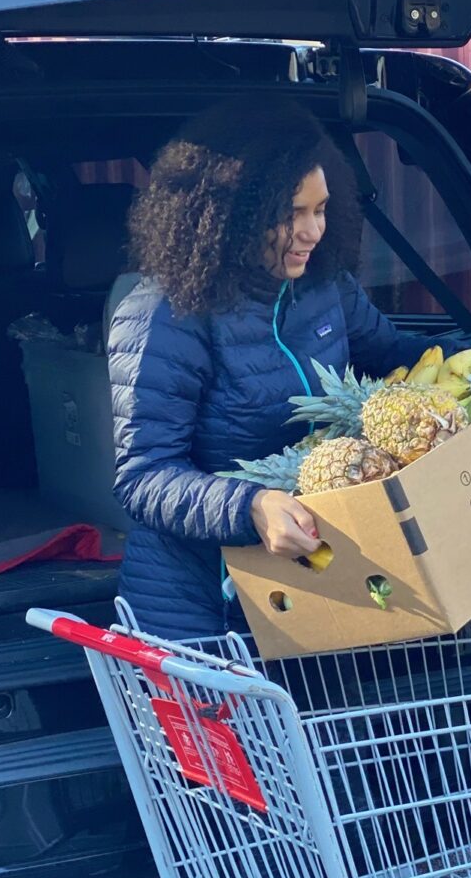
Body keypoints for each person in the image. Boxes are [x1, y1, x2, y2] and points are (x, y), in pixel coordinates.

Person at [108, 96, 424, 644]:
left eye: (321, 208)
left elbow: (401, 356)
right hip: (200, 615)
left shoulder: (325, 289)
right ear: (233, 212)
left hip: (316, 590)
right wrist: (249, 506)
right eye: (290, 213)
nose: (312, 231)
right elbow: (143, 476)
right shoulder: (165, 316)